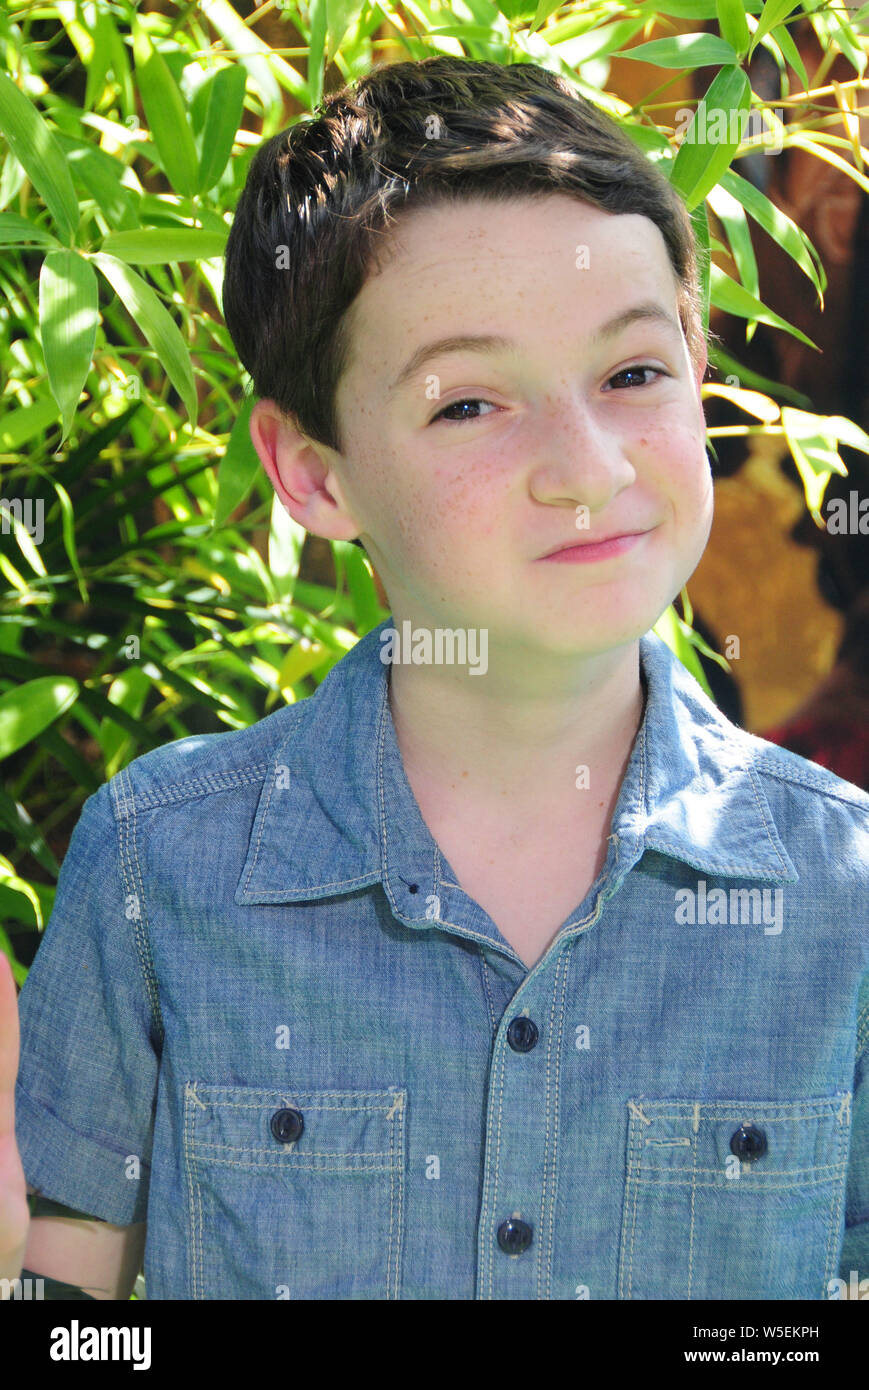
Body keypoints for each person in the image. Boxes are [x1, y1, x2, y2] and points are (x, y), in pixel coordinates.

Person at [2, 56, 867, 1302]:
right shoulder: (158, 864)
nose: (586, 469)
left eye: (631, 374)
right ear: (313, 473)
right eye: (467, 404)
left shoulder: (841, 892)